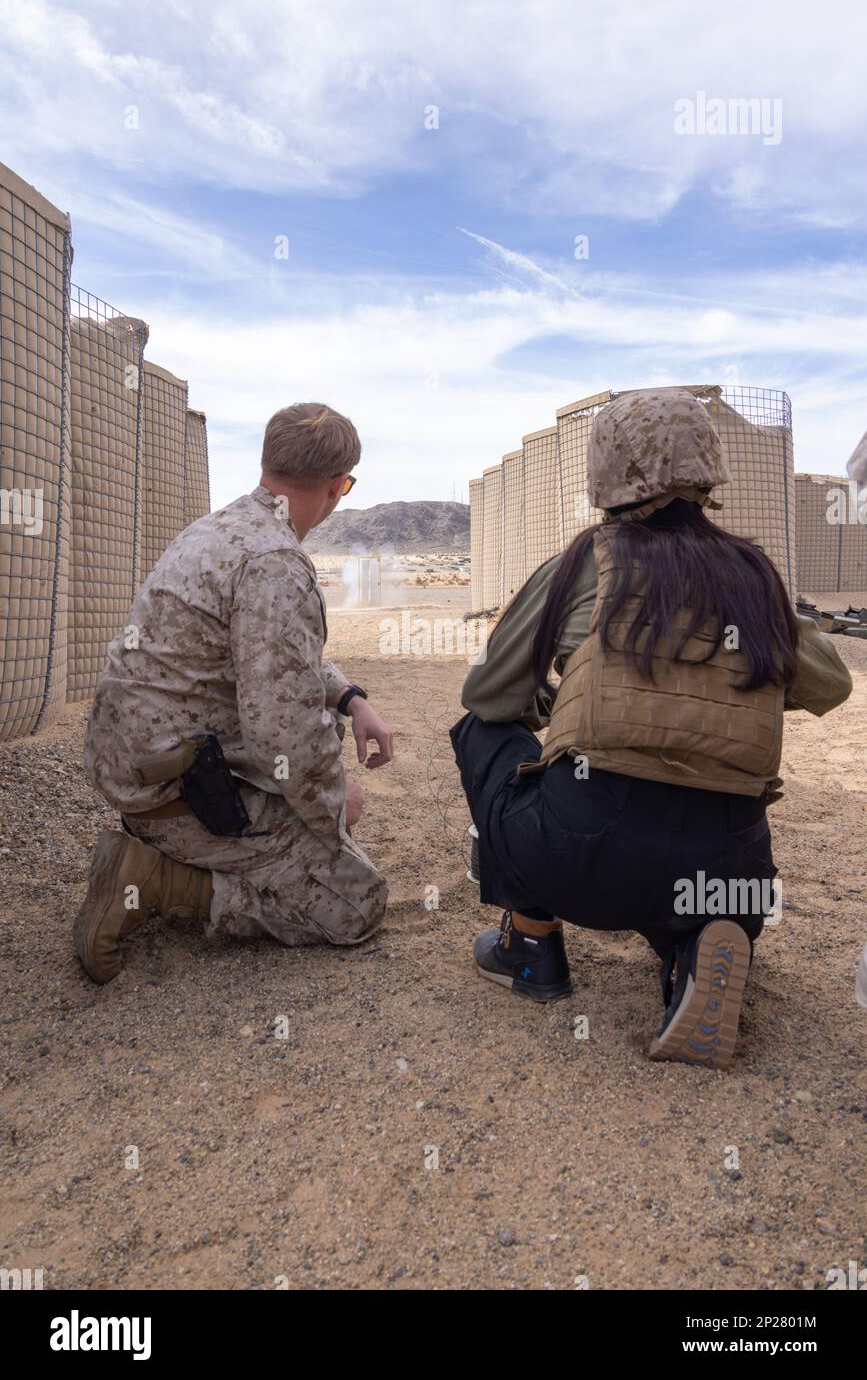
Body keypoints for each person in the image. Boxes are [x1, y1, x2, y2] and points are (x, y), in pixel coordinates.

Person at [451, 388, 853, 1069]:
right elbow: (830, 684)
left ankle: (530, 946)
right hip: (729, 868)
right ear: (708, 469)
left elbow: (488, 695)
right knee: (692, 870)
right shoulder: (754, 575)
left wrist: (566, 709)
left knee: (481, 733)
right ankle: (696, 949)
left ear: (604, 471)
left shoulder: (584, 561)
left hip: (584, 856)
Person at [75, 402, 393, 983]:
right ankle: (153, 880)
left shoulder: (220, 528)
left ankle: (180, 852)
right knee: (355, 903)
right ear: (335, 487)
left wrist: (351, 698)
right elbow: (284, 730)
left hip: (138, 765)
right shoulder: (274, 561)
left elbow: (274, 660)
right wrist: (330, 818)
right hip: (176, 789)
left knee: (329, 813)